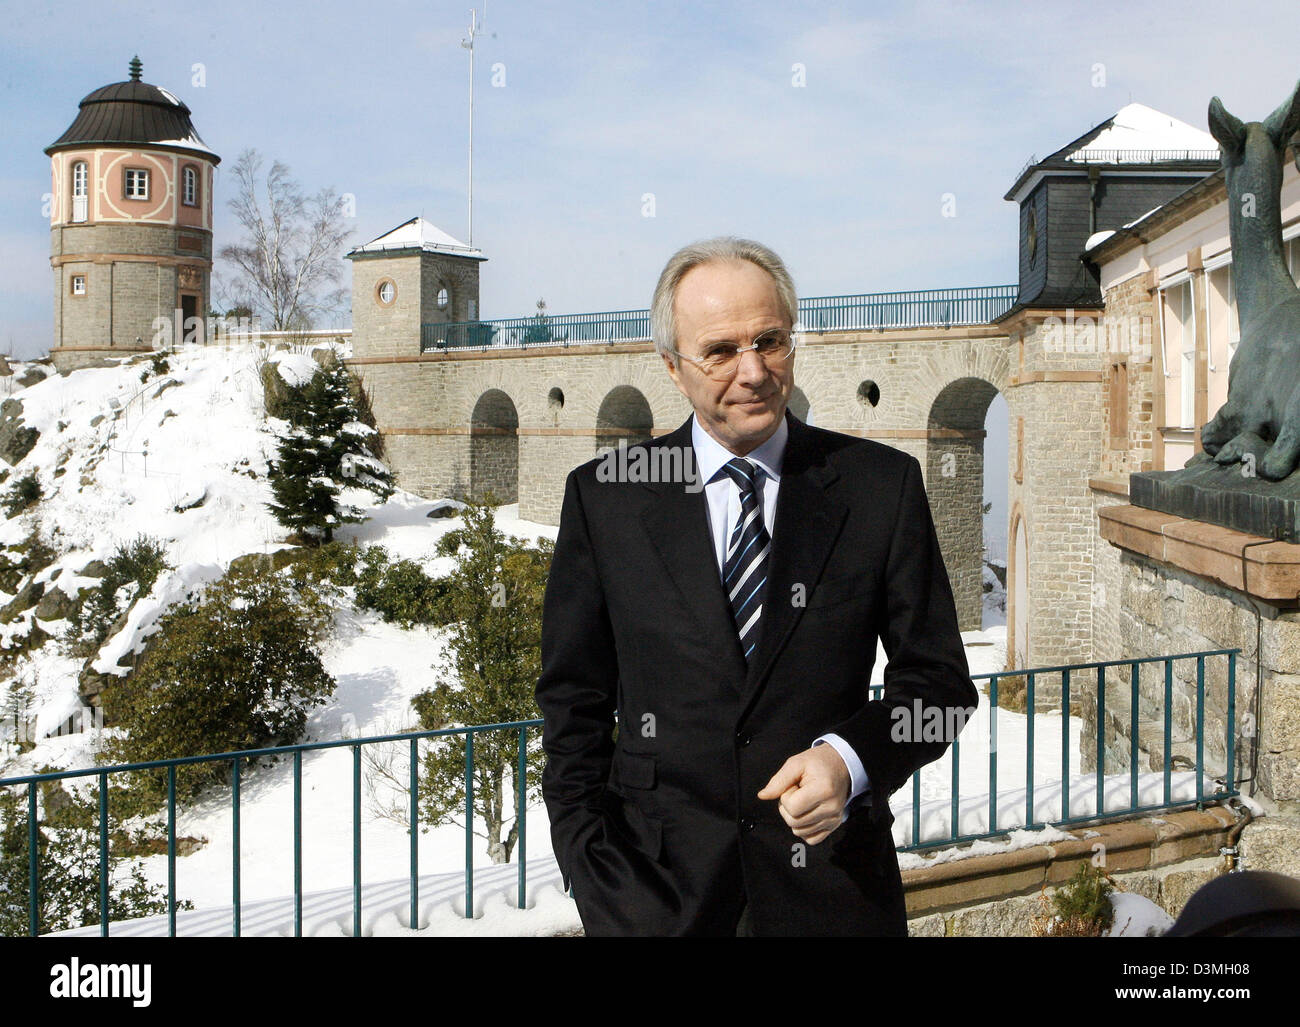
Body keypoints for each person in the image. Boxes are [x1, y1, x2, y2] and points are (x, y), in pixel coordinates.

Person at [536, 236, 976, 936]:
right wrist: (596, 873)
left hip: (834, 895)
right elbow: (572, 703)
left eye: (770, 340)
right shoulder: (605, 498)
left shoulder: (878, 488)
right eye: (720, 350)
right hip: (655, 902)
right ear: (673, 368)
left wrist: (849, 760)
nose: (754, 370)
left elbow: (941, 687)